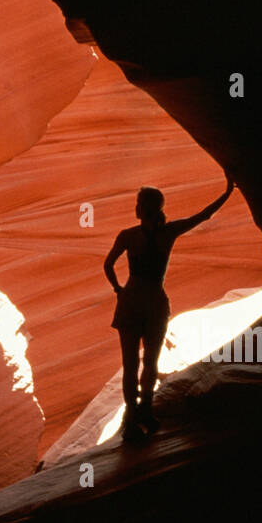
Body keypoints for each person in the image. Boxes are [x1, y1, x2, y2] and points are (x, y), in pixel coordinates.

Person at [103, 176, 235, 440]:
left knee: (129, 365)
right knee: (150, 362)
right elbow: (204, 216)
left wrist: (119, 290)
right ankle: (146, 411)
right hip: (154, 304)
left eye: (138, 203)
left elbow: (108, 265)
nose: (135, 207)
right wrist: (228, 190)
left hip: (130, 303)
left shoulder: (127, 236)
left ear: (144, 208)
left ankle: (131, 420)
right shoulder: (168, 232)